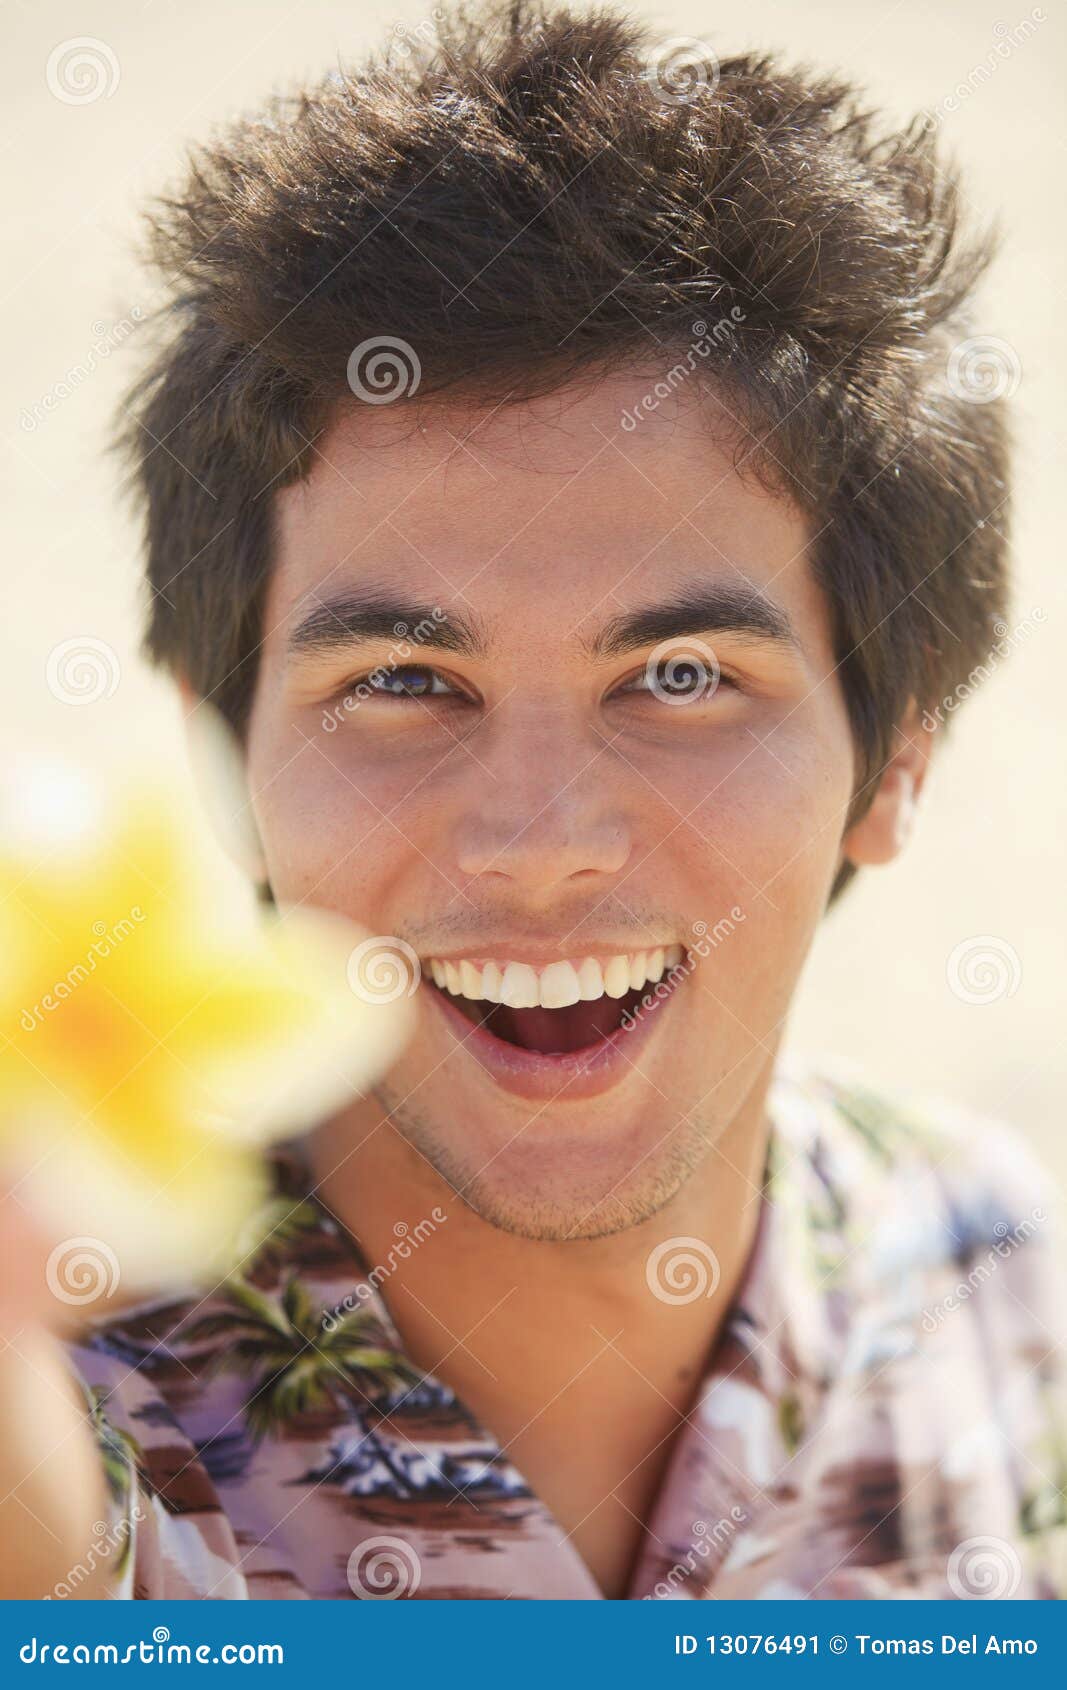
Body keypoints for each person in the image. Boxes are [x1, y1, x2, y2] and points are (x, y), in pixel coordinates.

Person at [7, 1, 1065, 1600]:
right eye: (404, 681)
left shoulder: (992, 1269)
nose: (542, 842)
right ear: (215, 758)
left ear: (899, 751)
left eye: (683, 676)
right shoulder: (64, 1337)